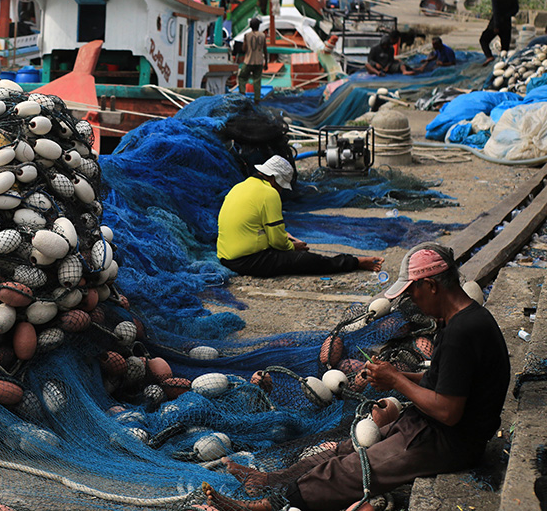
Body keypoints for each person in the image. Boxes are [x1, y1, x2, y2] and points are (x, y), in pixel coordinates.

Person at [205, 243, 511, 511]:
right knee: (346, 447)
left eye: (412, 292)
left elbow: (448, 410)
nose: (411, 301)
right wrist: (401, 375)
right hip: (429, 425)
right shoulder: (457, 320)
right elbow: (445, 383)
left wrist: (397, 381)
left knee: (350, 470)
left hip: (450, 442)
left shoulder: (463, 332)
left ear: (430, 285)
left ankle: (268, 506)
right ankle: (270, 480)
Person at [216, 155, 383, 277]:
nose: (280, 191)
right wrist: (293, 247)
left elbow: (261, 228)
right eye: (281, 187)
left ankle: (353, 261)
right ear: (274, 179)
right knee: (307, 261)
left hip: (226, 257)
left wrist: (287, 238)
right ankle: (356, 262)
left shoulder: (240, 186)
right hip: (246, 261)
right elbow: (276, 242)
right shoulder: (269, 193)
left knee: (290, 246)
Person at [480, 0, 520, 66]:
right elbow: (516, 10)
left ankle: (489, 56)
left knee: (484, 40)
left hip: (496, 23)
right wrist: (507, 15)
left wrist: (496, 26)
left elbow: (496, 11)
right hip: (507, 24)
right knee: (505, 47)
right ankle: (503, 63)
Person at [238, 18, 268, 104]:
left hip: (248, 61)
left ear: (250, 26)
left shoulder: (247, 35)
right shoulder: (262, 35)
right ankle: (257, 99)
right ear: (258, 26)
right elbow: (265, 50)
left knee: (242, 77)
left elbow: (244, 49)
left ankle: (242, 94)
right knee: (257, 80)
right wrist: (266, 62)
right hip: (259, 61)